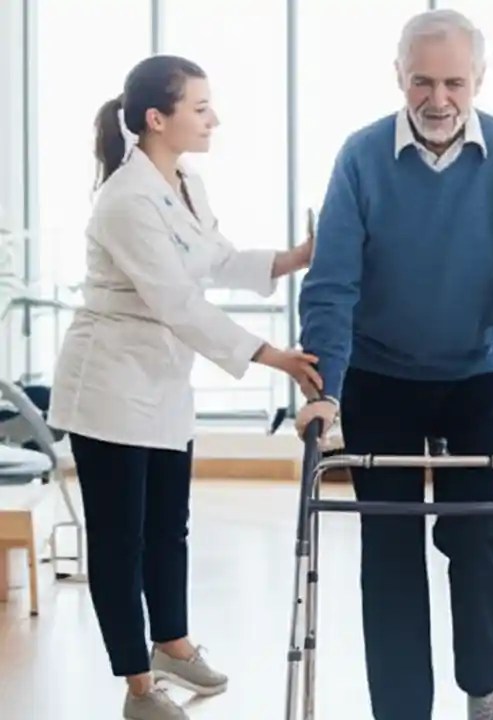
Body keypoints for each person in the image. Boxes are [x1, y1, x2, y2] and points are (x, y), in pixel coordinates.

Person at [295, 10, 493, 720]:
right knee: (388, 550)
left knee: (474, 538)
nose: (438, 99)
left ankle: (482, 681)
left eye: (453, 83)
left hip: (472, 378)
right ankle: (402, 711)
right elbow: (331, 284)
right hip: (379, 378)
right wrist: (324, 389)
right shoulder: (361, 156)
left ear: (478, 79)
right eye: (422, 81)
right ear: (398, 77)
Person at [46, 55, 320, 720]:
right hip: (109, 387)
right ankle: (139, 689)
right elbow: (177, 301)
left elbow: (215, 258)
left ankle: (172, 644)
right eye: (200, 108)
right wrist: (273, 357)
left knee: (168, 527)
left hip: (161, 386)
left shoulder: (185, 182)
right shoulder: (124, 201)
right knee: (119, 541)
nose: (213, 119)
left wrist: (295, 258)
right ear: (156, 118)